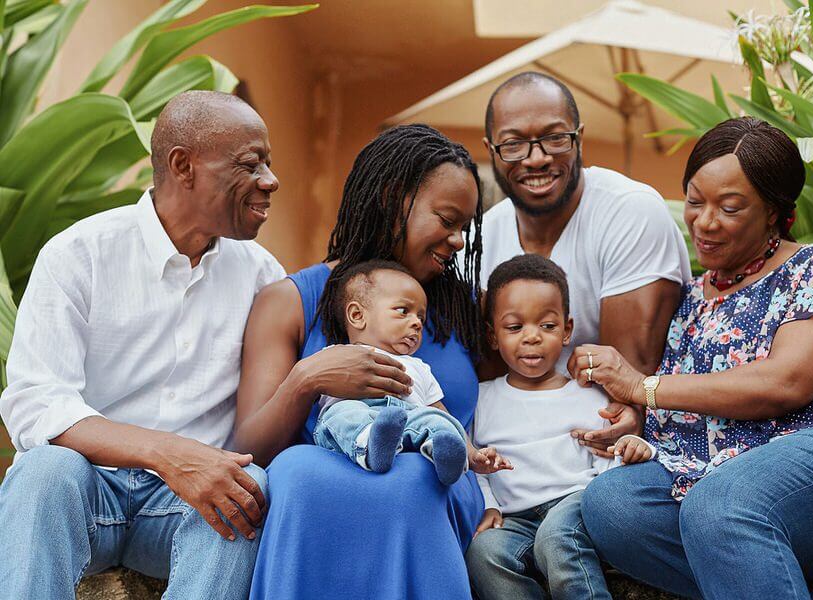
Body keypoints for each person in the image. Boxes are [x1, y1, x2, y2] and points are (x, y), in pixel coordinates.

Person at [576, 117, 813, 599]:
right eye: (694, 201)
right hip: (719, 477)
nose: (704, 222)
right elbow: (689, 404)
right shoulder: (690, 300)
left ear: (773, 212)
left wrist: (643, 387)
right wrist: (636, 418)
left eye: (729, 207)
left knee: (722, 504)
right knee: (613, 505)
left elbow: (784, 384)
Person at [0, 91, 285, 599]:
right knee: (44, 470)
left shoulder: (264, 277)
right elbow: (35, 405)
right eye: (250, 164)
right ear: (183, 166)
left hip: (189, 510)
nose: (270, 180)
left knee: (248, 490)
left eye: (268, 163)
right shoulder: (78, 254)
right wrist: (167, 454)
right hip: (87, 491)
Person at [234, 124, 487, 599]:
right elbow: (249, 449)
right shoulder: (290, 300)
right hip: (322, 477)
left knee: (413, 480)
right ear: (392, 199)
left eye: (465, 227)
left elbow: (530, 381)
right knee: (297, 472)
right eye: (447, 220)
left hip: (436, 481)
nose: (458, 240)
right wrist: (307, 379)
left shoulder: (469, 309)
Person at [479, 71, 691, 459]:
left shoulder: (629, 212)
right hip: (514, 448)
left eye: (555, 138)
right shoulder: (481, 237)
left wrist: (626, 415)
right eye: (513, 145)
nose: (537, 158)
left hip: (615, 447)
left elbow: (627, 384)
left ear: (579, 137)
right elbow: (489, 373)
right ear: (490, 149)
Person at [466, 254, 654, 600]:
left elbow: (608, 457)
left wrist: (630, 449)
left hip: (574, 504)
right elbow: (477, 465)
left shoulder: (590, 395)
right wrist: (490, 505)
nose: (532, 337)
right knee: (484, 552)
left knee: (556, 536)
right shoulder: (481, 398)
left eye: (547, 326)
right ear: (492, 335)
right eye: (515, 327)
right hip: (515, 518)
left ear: (567, 330)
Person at [313, 259, 507, 484]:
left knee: (436, 420)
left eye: (420, 317)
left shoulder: (419, 367)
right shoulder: (335, 354)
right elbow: (314, 391)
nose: (416, 323)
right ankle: (371, 444)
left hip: (407, 420)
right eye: (403, 311)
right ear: (358, 315)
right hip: (354, 415)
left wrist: (472, 453)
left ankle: (449, 457)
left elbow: (440, 410)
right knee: (342, 414)